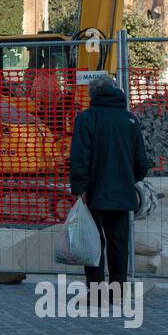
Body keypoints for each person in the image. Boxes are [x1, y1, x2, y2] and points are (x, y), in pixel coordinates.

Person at [67, 74, 153, 300]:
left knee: (93, 244)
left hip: (94, 194)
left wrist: (79, 188)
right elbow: (142, 163)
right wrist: (128, 179)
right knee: (118, 243)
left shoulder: (86, 119)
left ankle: (95, 294)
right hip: (122, 194)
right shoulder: (130, 120)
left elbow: (79, 158)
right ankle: (118, 292)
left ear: (93, 95)